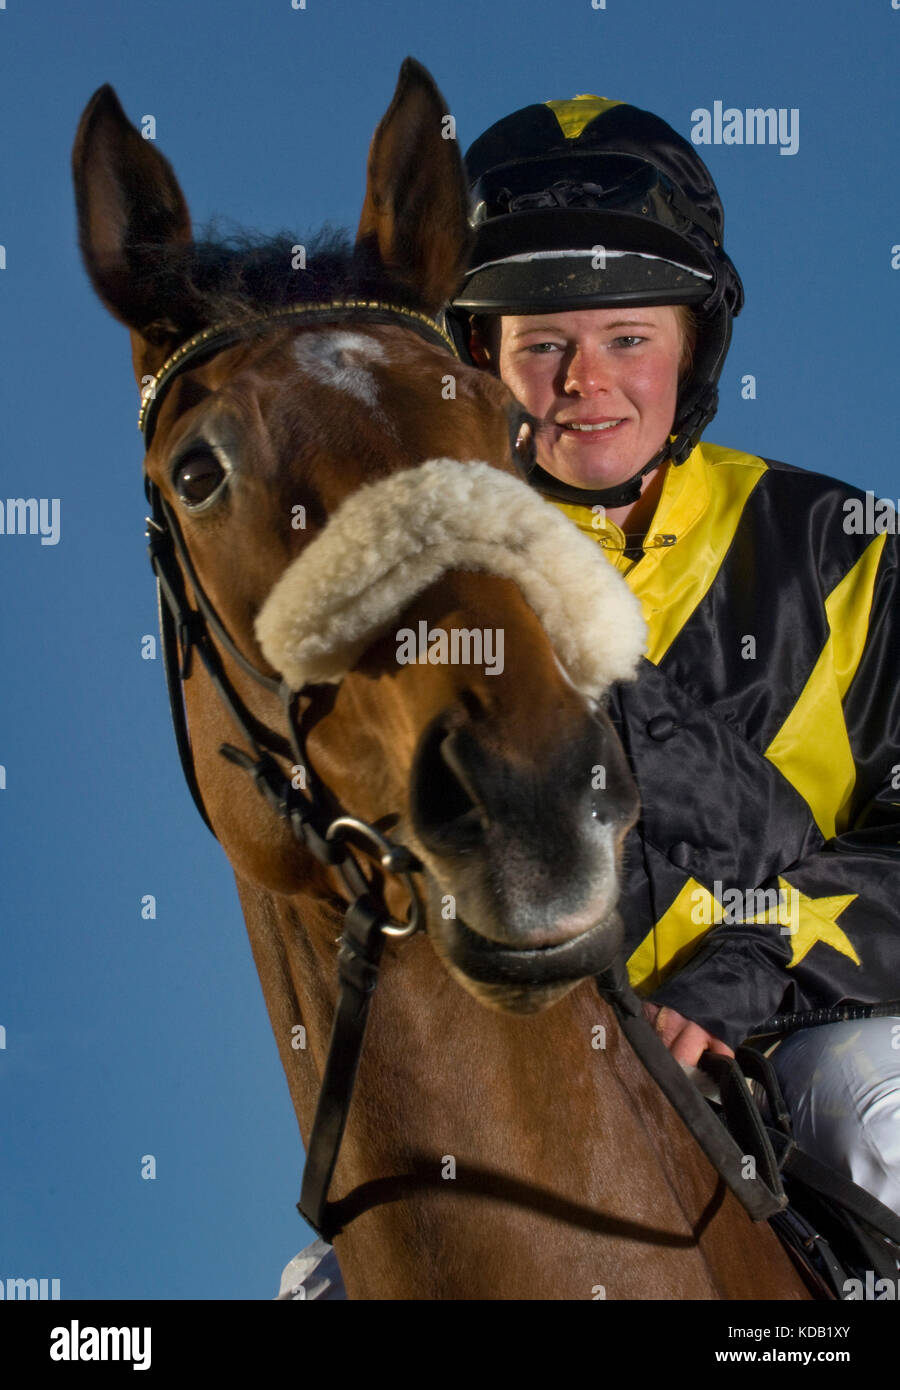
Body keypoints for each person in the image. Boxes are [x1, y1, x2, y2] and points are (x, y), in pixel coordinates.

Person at [443, 92, 900, 1221]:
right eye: (541, 342)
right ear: (479, 358)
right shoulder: (435, 596)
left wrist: (737, 977)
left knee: (884, 1123)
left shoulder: (846, 546)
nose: (582, 379)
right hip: (526, 1090)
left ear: (696, 349)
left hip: (808, 1046)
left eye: (628, 338)